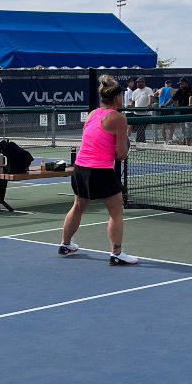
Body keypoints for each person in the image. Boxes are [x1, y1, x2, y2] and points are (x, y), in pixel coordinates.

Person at [58, 75, 138, 266]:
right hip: (100, 171)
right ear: (118, 97)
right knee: (116, 211)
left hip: (80, 169)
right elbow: (121, 154)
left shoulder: (93, 114)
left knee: (78, 206)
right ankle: (117, 253)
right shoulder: (119, 118)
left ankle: (65, 244)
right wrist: (126, 139)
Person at [129, 77, 154, 146]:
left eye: (139, 82)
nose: (137, 83)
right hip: (136, 114)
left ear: (143, 82)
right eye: (137, 82)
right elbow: (133, 102)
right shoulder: (135, 92)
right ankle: (142, 143)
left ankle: (139, 144)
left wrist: (150, 103)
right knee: (139, 129)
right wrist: (130, 106)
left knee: (141, 128)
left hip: (146, 114)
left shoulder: (148, 89)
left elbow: (151, 97)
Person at [173, 78, 192, 145]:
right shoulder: (179, 91)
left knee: (189, 129)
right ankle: (184, 141)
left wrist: (189, 104)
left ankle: (188, 144)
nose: (180, 85)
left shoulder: (191, 89)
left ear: (186, 83)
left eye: (182, 84)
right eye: (180, 84)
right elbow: (173, 99)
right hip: (182, 113)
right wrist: (165, 105)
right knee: (183, 129)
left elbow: (191, 97)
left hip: (190, 113)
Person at [154, 79, 176, 144]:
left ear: (165, 84)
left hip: (162, 109)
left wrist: (158, 102)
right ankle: (170, 139)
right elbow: (177, 96)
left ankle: (165, 140)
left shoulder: (160, 90)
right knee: (172, 125)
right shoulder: (171, 89)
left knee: (163, 125)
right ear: (170, 84)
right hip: (169, 108)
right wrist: (176, 102)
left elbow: (153, 95)